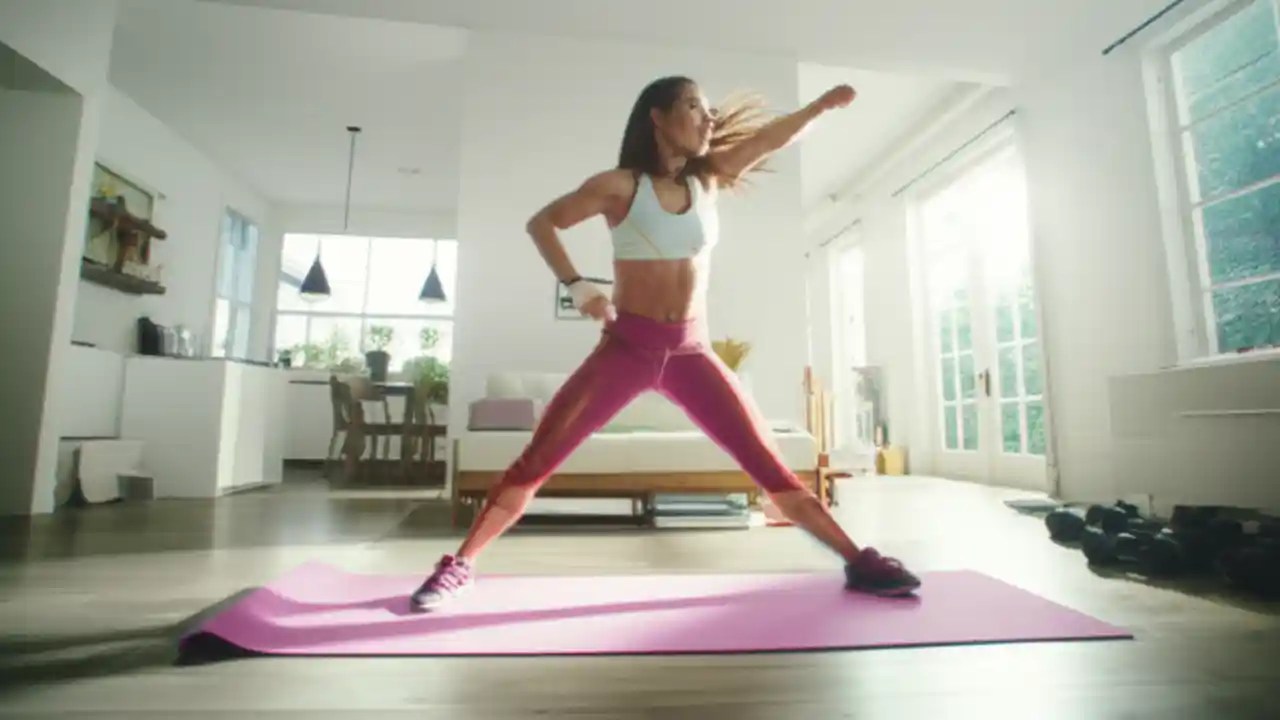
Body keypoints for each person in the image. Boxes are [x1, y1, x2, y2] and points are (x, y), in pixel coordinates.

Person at [411, 76, 921, 611]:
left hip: (691, 353)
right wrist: (580, 289)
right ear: (657, 117)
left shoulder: (711, 181)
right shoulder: (619, 186)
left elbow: (772, 139)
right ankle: (459, 565)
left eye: (709, 110)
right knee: (537, 461)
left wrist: (820, 106)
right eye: (694, 106)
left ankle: (858, 561)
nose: (708, 118)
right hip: (626, 348)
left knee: (770, 468)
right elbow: (543, 223)